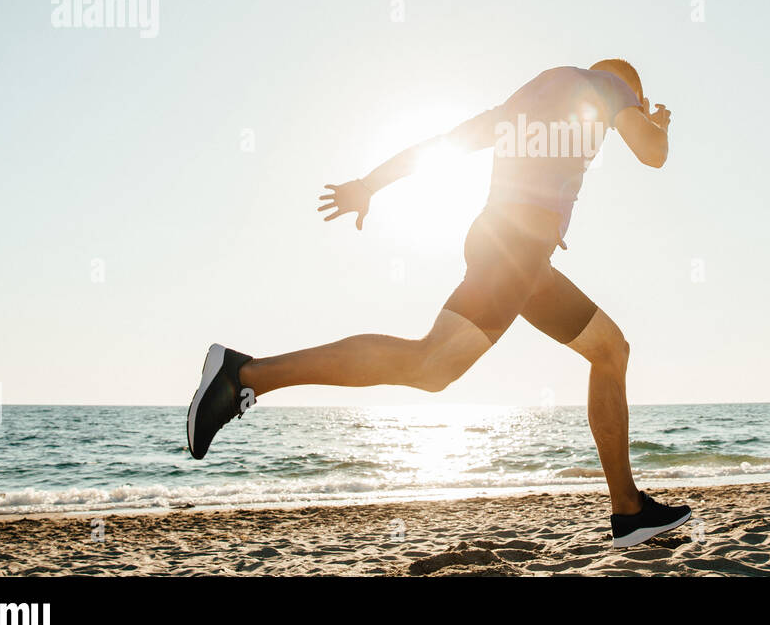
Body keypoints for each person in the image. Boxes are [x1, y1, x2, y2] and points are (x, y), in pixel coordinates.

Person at [187, 59, 692, 547]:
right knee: (429, 365)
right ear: (629, 91)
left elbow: (446, 145)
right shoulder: (608, 83)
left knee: (609, 349)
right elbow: (653, 153)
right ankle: (246, 375)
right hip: (514, 253)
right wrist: (656, 124)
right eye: (635, 103)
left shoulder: (531, 98)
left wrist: (369, 184)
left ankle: (629, 511)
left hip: (515, 253)